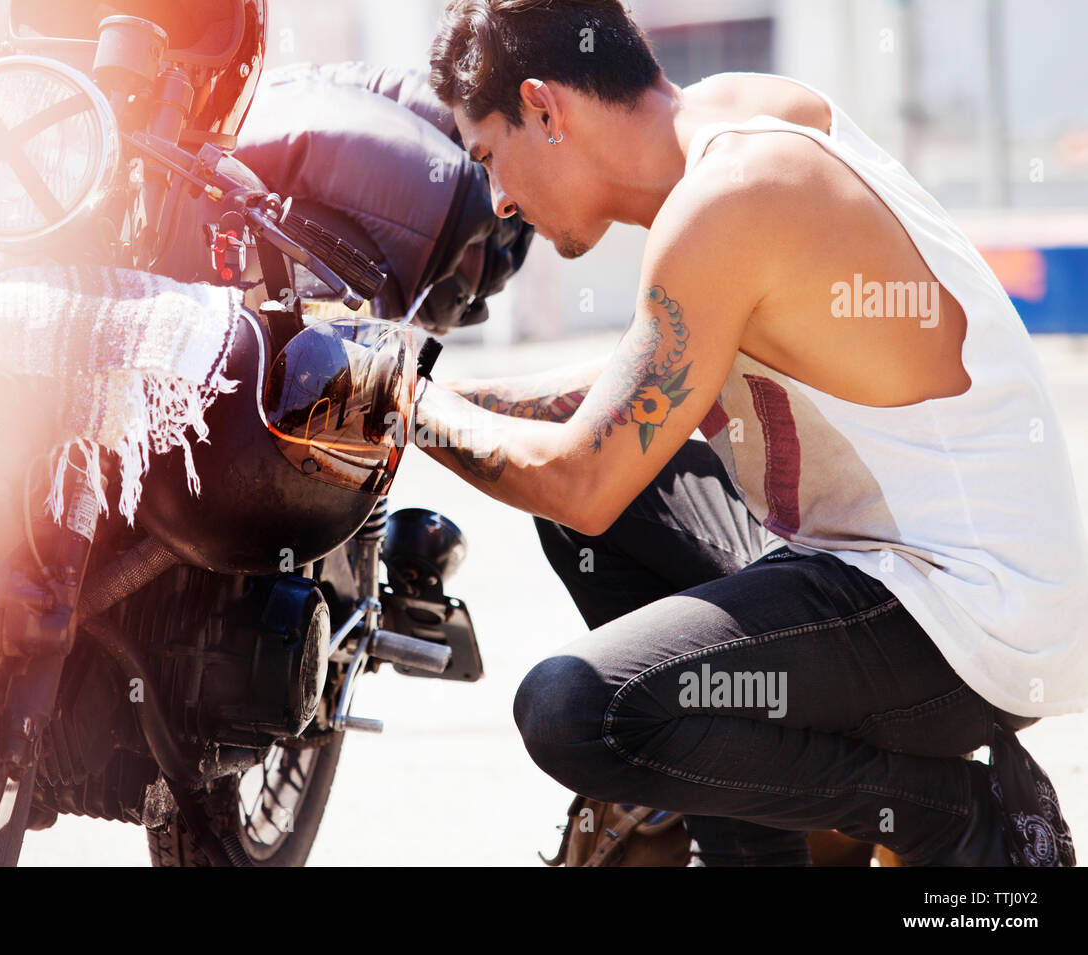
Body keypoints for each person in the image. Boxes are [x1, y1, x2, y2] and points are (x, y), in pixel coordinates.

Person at [415, 0, 1086, 865]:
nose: (501, 199)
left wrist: (397, 402)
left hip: (966, 613)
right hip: (885, 566)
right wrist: (447, 394)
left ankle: (960, 814)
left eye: (488, 158)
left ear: (544, 108)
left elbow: (580, 479)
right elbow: (633, 389)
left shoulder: (729, 199)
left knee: (576, 709)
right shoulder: (740, 120)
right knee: (609, 517)